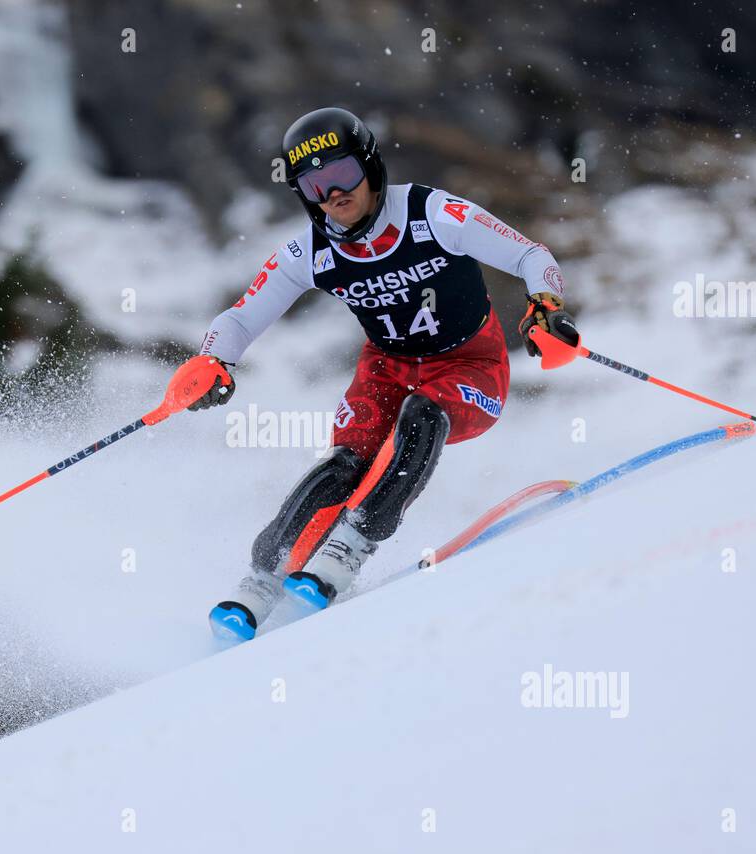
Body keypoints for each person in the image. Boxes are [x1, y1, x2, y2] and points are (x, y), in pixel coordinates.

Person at [166, 107, 580, 640]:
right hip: (386, 369)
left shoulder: (433, 213)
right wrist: (212, 360)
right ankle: (261, 578)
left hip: (471, 365)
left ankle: (349, 549)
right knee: (347, 461)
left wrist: (545, 306)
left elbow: (530, 254)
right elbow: (243, 317)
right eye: (313, 185)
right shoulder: (310, 250)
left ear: (371, 166)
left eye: (341, 175)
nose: (332, 195)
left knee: (422, 416)